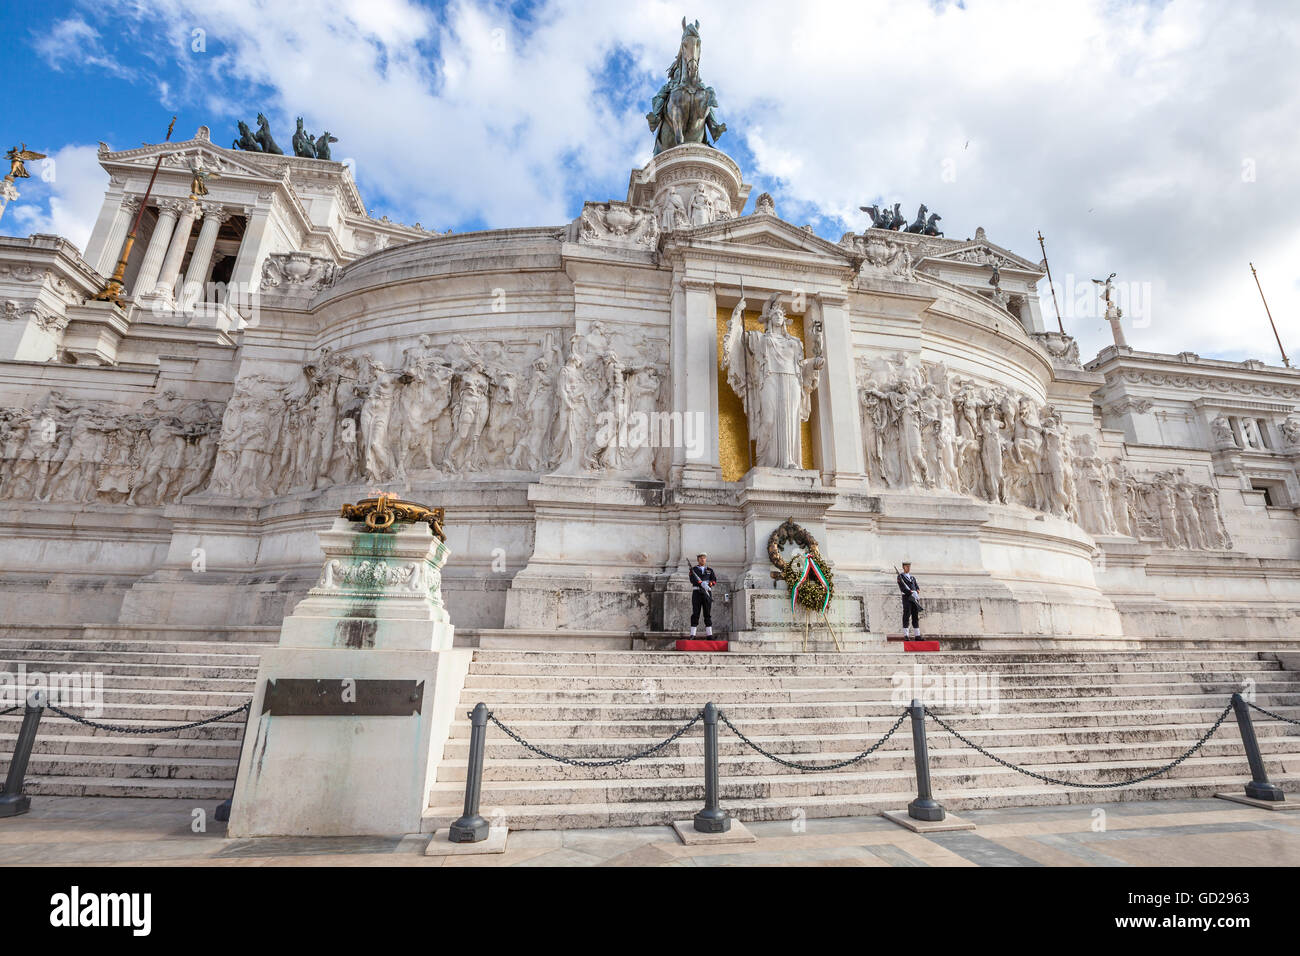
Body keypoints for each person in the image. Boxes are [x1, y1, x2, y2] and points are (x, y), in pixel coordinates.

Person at [688, 553, 718, 638]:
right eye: (701, 558)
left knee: (707, 614)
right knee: (695, 613)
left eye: (704, 558)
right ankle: (693, 634)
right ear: (698, 559)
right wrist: (701, 583)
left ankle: (709, 634)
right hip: (697, 593)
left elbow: (714, 580)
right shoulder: (693, 570)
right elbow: (692, 579)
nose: (703, 560)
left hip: (706, 594)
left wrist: (709, 584)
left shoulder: (710, 570)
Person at [897, 561, 923, 639]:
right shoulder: (900, 577)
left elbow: (916, 586)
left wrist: (917, 590)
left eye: (909, 566)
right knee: (907, 615)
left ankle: (917, 635)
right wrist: (910, 592)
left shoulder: (912, 578)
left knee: (915, 616)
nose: (908, 568)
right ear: (903, 567)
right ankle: (906, 635)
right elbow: (902, 588)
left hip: (914, 598)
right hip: (907, 598)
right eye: (906, 566)